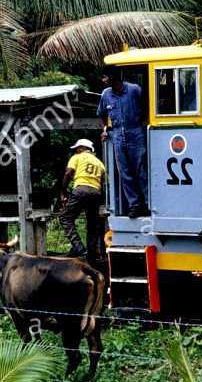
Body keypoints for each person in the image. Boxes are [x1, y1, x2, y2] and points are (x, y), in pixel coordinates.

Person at [98, 66, 148, 217]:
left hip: (135, 132)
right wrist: (105, 129)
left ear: (113, 78)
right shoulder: (106, 94)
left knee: (141, 170)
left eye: (105, 77)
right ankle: (134, 205)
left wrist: (143, 124)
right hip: (118, 135)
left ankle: (148, 203)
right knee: (125, 173)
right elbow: (101, 113)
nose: (103, 80)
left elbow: (147, 107)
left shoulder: (134, 90)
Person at [58, 139, 106, 259]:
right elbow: (104, 182)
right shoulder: (99, 163)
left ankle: (78, 246)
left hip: (81, 190)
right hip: (96, 192)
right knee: (92, 224)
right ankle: (92, 254)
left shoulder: (77, 157)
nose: (75, 151)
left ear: (81, 148)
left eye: (76, 148)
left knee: (65, 218)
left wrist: (63, 192)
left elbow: (68, 174)